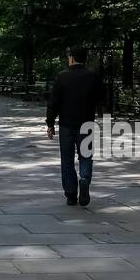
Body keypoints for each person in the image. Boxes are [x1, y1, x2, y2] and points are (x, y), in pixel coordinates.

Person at [46, 46, 103, 207]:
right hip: (86, 123)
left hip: (66, 124)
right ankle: (84, 179)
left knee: (67, 159)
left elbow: (53, 103)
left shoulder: (62, 76)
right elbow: (102, 96)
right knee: (85, 156)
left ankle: (71, 194)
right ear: (85, 59)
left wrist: (50, 123)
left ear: (71, 58)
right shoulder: (92, 76)